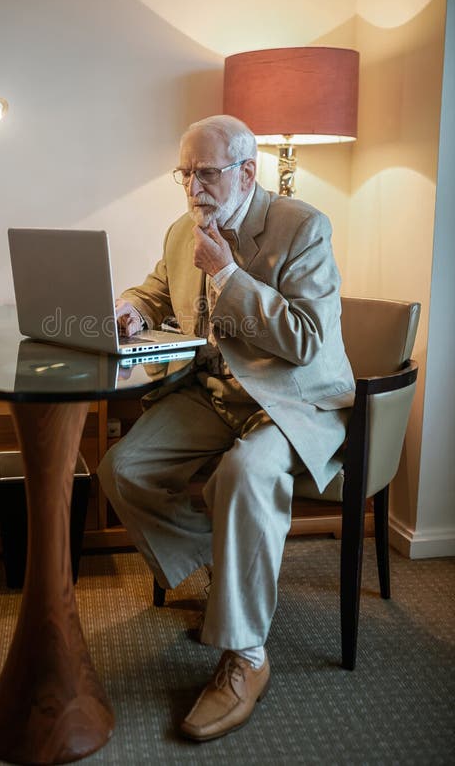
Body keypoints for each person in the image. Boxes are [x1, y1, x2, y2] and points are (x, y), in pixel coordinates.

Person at [97, 114, 355, 742]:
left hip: (291, 401)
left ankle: (245, 656)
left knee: (244, 472)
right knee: (121, 469)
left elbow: (305, 340)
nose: (193, 188)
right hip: (213, 396)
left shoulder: (303, 227)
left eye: (206, 173)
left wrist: (228, 276)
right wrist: (130, 308)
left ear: (247, 171)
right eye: (185, 174)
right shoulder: (181, 230)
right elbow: (158, 291)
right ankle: (227, 572)